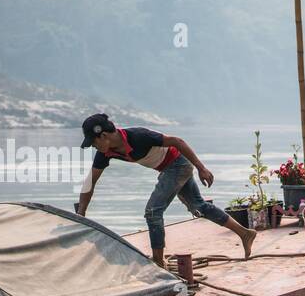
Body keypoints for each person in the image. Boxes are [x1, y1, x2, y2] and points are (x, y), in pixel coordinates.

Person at [75, 113, 256, 267]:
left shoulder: (138, 136)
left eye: (94, 142)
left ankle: (159, 264)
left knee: (153, 212)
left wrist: (201, 168)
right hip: (169, 169)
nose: (94, 147)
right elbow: (91, 180)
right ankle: (245, 233)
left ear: (104, 136)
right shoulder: (106, 153)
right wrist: (81, 213)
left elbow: (177, 142)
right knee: (198, 207)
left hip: (178, 165)